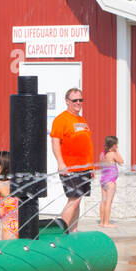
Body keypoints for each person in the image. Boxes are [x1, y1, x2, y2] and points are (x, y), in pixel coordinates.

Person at [49, 87, 93, 231]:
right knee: (73, 199)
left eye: (81, 100)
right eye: (75, 100)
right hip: (70, 167)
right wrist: (60, 163)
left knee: (78, 200)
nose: (78, 103)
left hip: (84, 167)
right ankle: (60, 232)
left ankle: (73, 231)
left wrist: (91, 167)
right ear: (67, 101)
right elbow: (55, 141)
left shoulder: (81, 119)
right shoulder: (61, 119)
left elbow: (85, 144)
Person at [97, 135, 124, 226]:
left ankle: (101, 222)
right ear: (112, 145)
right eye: (116, 145)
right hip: (110, 181)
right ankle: (106, 223)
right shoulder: (112, 154)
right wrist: (117, 152)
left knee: (103, 201)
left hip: (103, 180)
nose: (117, 146)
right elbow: (121, 161)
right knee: (109, 202)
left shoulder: (102, 154)